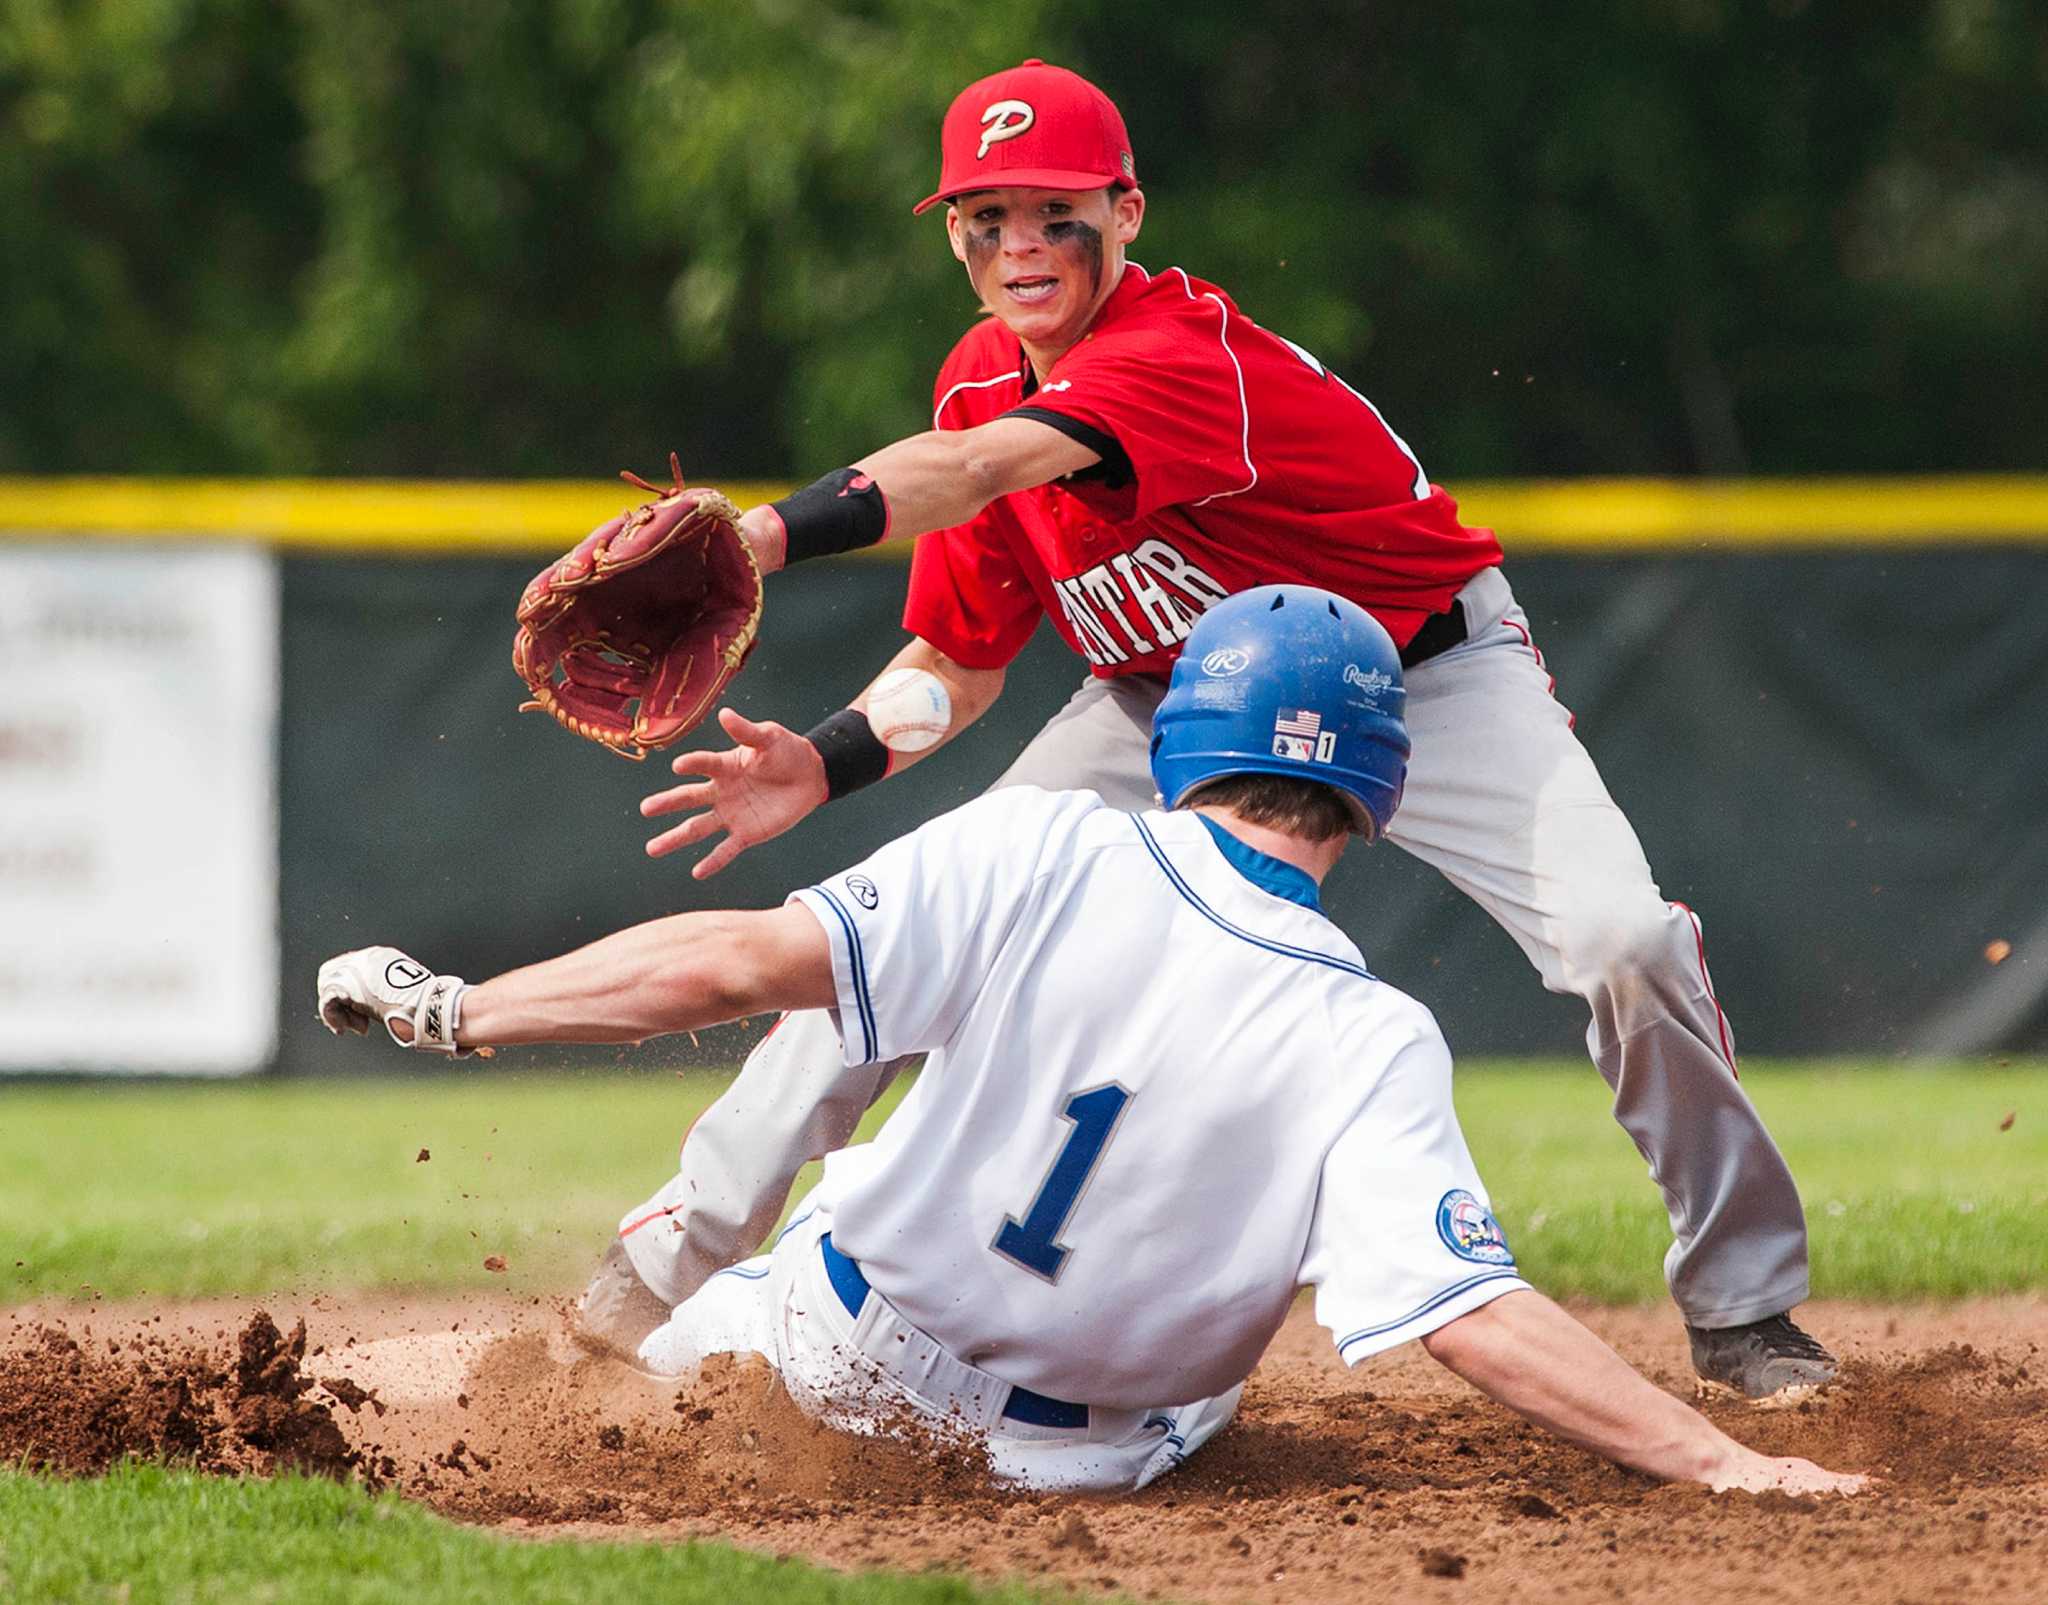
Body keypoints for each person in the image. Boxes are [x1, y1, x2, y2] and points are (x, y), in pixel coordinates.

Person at [605, 60, 1831, 1401]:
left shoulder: (1172, 356)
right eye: (984, 217)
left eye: (1054, 212)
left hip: (1415, 668)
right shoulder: (972, 379)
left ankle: (1745, 1301)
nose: (1020, 245)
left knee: (1625, 941)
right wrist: (829, 756)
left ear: (1126, 209)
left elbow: (969, 472)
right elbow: (956, 662)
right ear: (955, 238)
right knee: (912, 931)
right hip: (1168, 702)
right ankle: (666, 1257)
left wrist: (765, 533)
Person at [319, 587, 1861, 1497]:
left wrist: (467, 1007)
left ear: (1182, 731)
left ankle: (292, 1399)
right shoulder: (1373, 1031)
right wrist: (1730, 1465)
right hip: (1083, 1465)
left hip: (831, 1359)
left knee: (489, 1385)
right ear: (1380, 789)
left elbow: (727, 964)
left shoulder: (1039, 844)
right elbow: (1470, 1317)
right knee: (1243, 1348)